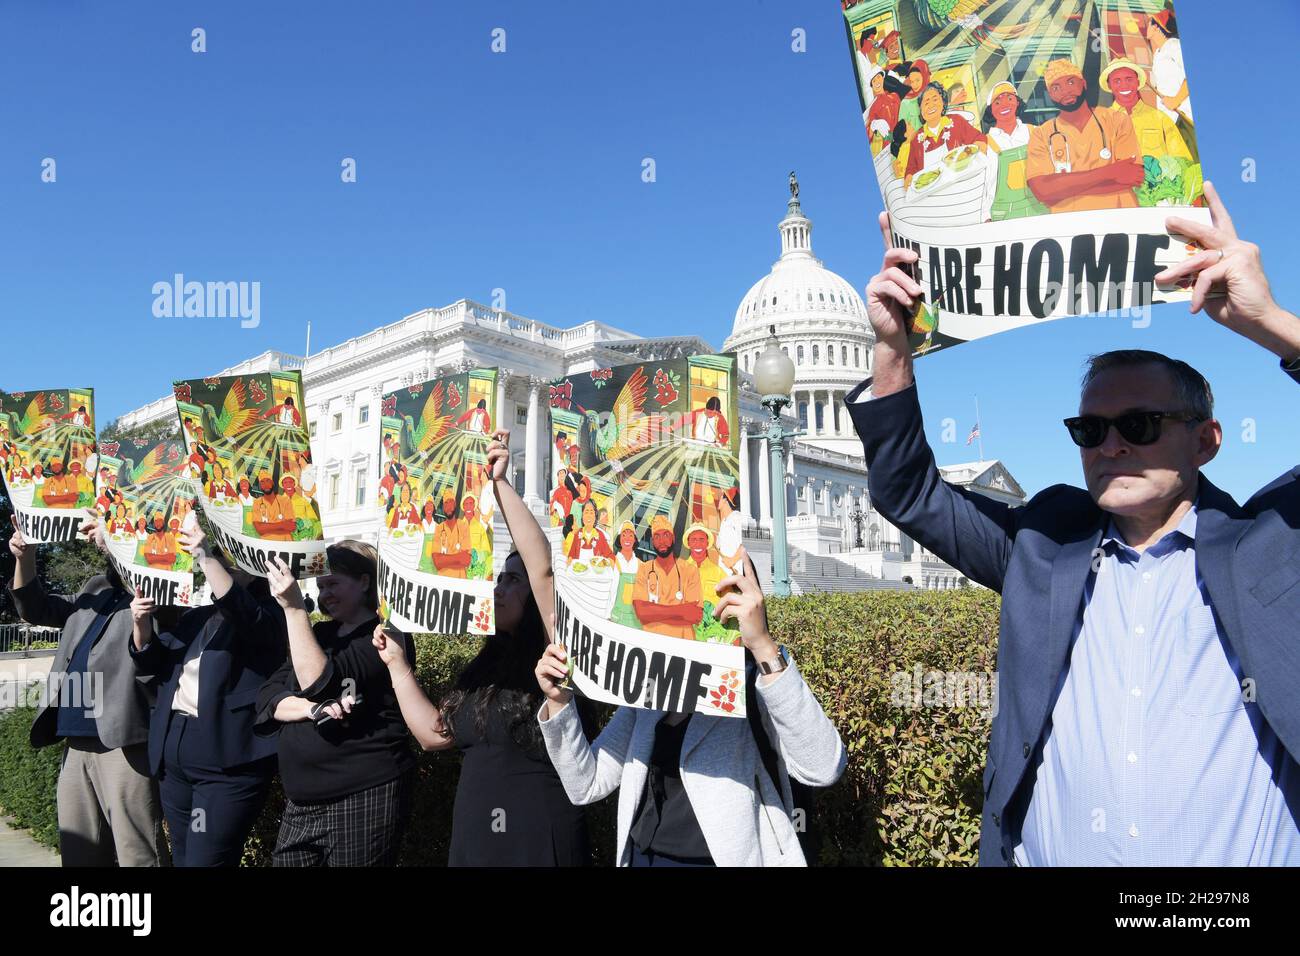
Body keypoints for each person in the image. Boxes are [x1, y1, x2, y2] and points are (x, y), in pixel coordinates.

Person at [851, 183, 1300, 865]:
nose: (1111, 445)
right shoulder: (1042, 546)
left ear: (1207, 440)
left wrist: (1268, 322)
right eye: (1090, 428)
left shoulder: (1274, 546)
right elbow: (908, 491)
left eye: (1139, 425)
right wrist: (893, 350)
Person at [534, 551, 847, 866]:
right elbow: (585, 785)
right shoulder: (650, 688)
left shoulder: (759, 676)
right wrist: (559, 702)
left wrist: (763, 644)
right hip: (643, 857)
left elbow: (823, 767)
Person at [371, 431, 594, 865]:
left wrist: (499, 485)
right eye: (499, 577)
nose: (499, 586)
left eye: (512, 579)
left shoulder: (559, 653)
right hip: (476, 833)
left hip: (535, 833)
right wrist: (397, 664)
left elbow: (543, 567)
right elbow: (436, 735)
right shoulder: (485, 666)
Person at [5, 514, 167, 866]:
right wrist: (25, 557)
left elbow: (153, 641)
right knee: (79, 854)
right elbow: (36, 608)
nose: (94, 532)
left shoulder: (152, 586)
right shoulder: (95, 587)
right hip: (75, 742)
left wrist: (113, 538)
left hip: (123, 743)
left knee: (137, 854)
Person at [128, 516, 287, 866]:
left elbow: (245, 614)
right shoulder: (196, 618)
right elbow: (152, 660)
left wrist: (205, 554)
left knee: (206, 861)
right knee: (184, 856)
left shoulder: (274, 615)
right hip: (176, 756)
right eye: (223, 557)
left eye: (232, 559)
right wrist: (140, 623)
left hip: (225, 765)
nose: (226, 563)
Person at [255, 542, 416, 866]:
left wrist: (293, 608)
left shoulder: (385, 636)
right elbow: (269, 697)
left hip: (363, 793)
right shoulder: (321, 633)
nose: (325, 593)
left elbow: (319, 683)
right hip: (301, 803)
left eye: (333, 583)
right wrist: (309, 709)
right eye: (320, 586)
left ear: (364, 582)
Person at [1026, 59, 1143, 214]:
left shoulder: (1117, 120)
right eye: (1056, 87)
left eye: (1070, 82)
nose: (1065, 91)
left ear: (1084, 84)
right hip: (1070, 227)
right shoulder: (1041, 135)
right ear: (1050, 95)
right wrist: (1109, 172)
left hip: (1120, 216)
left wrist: (1062, 188)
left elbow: (1133, 175)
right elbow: (1042, 190)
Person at [1100, 59, 1192, 170]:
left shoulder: (1160, 118)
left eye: (1129, 79)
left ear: (1137, 82)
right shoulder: (1101, 123)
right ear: (1109, 86)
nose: (1124, 85)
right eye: (1117, 81)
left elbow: (1183, 161)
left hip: (1160, 186)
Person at [981, 80, 1048, 222]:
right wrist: (985, 216)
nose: (1004, 105)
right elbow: (985, 185)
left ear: (1017, 102)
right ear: (990, 110)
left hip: (1039, 209)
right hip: (1004, 216)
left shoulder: (1035, 132)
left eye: (1010, 99)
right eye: (997, 103)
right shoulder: (986, 143)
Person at [903, 81, 986, 190]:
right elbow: (911, 168)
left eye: (935, 99)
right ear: (921, 110)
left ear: (943, 103)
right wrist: (909, 177)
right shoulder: (917, 138)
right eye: (926, 102)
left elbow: (978, 138)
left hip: (961, 185)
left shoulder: (956, 121)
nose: (931, 105)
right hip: (931, 194)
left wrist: (978, 149)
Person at [631, 516, 703, 640]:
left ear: (673, 538)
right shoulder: (644, 569)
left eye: (666, 535)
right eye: (657, 537)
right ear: (652, 541)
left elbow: (695, 615)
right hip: (651, 644)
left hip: (683, 645)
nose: (661, 541)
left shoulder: (690, 570)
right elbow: (641, 612)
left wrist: (654, 613)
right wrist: (681, 611)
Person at [430, 488, 471, 577]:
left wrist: (444, 560)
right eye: (446, 503)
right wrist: (458, 558)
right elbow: (437, 562)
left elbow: (466, 560)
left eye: (451, 502)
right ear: (443, 507)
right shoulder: (439, 528)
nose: (448, 506)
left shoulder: (463, 525)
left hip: (460, 582)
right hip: (443, 583)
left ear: (455, 504)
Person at [610, 521, 642, 629]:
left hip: (636, 620)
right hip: (617, 618)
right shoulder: (613, 562)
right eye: (623, 535)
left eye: (630, 535)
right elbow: (611, 592)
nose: (627, 539)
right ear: (619, 539)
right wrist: (608, 617)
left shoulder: (640, 565)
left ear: (635, 539)